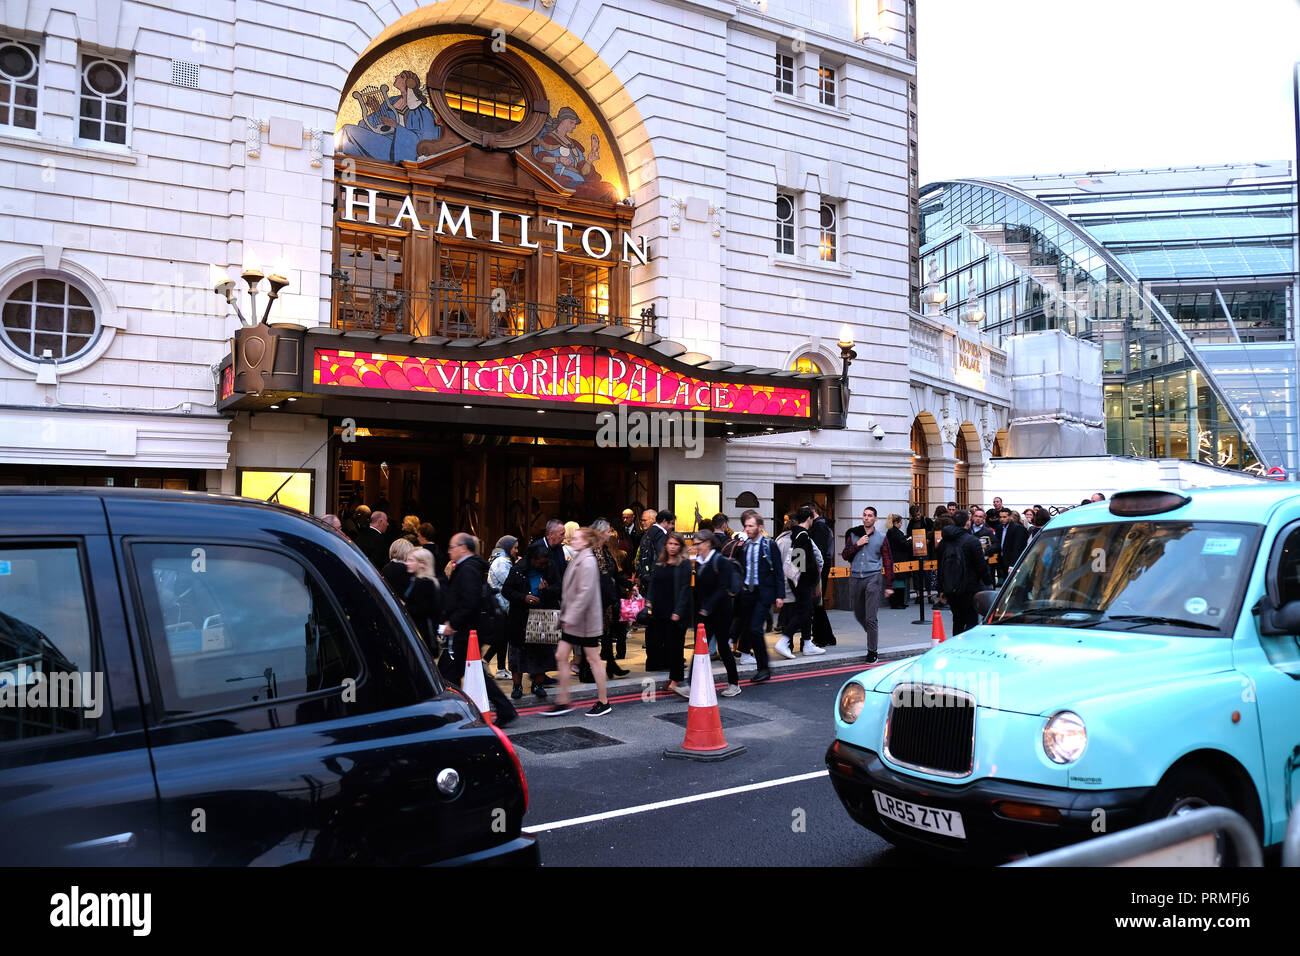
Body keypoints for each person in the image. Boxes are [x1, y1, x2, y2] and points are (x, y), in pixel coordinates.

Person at [439, 533, 518, 725]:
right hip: (469, 630)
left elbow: (469, 602)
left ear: (463, 548)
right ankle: (502, 709)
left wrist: (452, 623)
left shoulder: (467, 569)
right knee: (462, 672)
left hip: (469, 631)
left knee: (447, 673)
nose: (449, 550)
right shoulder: (468, 567)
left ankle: (454, 713)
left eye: (452, 547)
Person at [542, 527, 612, 717]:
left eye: (577, 538)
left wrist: (568, 618)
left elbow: (584, 594)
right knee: (562, 656)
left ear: (587, 542)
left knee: (593, 659)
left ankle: (604, 702)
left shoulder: (588, 561)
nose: (573, 540)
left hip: (584, 621)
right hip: (575, 620)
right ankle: (563, 700)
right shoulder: (580, 557)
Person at [502, 542, 557, 701]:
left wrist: (546, 590)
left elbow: (559, 587)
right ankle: (517, 686)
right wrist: (523, 597)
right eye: (540, 563)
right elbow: (506, 590)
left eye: (545, 563)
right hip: (520, 618)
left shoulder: (550, 568)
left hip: (543, 616)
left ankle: (538, 685)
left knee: (541, 653)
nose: (543, 566)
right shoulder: (518, 569)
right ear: (532, 560)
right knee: (518, 653)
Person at [734, 513, 782, 684]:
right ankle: (747, 654)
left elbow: (778, 570)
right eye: (746, 526)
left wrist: (780, 595)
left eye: (751, 526)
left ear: (760, 527)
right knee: (747, 627)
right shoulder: (745, 546)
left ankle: (764, 668)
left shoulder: (770, 545)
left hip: (764, 593)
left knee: (755, 628)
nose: (747, 529)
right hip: (747, 593)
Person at [842, 506, 894, 664]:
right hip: (856, 577)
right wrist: (857, 544)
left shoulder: (882, 537)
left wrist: (889, 585)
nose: (866, 518)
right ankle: (872, 632)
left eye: (870, 516)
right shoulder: (853, 535)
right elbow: (845, 555)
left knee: (871, 617)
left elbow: (888, 561)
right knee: (858, 613)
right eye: (864, 515)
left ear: (875, 519)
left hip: (874, 577)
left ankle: (872, 651)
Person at [693, 530, 742, 697]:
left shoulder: (719, 561)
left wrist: (708, 607)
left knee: (723, 647)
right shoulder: (699, 562)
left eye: (698, 543)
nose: (696, 547)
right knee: (700, 647)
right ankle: (692, 684)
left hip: (721, 612)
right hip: (705, 613)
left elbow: (723, 588)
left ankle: (734, 684)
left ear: (707, 543)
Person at [647, 531, 693, 698]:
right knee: (661, 644)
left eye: (676, 544)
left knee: (675, 647)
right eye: (670, 544)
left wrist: (678, 611)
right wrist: (649, 600)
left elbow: (684, 590)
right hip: (659, 610)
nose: (672, 547)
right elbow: (653, 583)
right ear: (666, 545)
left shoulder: (685, 564)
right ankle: (673, 678)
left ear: (680, 546)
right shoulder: (660, 562)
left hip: (675, 612)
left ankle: (676, 680)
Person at [935, 509, 993, 636]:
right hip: (970, 587)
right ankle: (968, 645)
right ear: (967, 522)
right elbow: (980, 565)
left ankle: (956, 644)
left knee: (957, 619)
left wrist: (941, 589)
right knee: (971, 619)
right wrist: (988, 581)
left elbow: (940, 567)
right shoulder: (972, 541)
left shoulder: (944, 542)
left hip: (951, 587)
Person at [777, 506, 820, 659]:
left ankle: (807, 644)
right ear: (809, 519)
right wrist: (805, 577)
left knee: (807, 612)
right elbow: (797, 560)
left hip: (800, 582)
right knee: (803, 612)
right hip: (802, 583)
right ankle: (784, 640)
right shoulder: (802, 535)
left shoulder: (797, 533)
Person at [590, 518, 630, 680]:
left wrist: (629, 585)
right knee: (593, 638)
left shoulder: (605, 550)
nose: (611, 534)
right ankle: (587, 670)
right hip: (594, 600)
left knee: (606, 634)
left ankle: (611, 665)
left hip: (605, 600)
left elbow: (614, 573)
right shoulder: (592, 552)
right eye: (608, 531)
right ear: (599, 533)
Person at [806, 502, 837, 648]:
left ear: (811, 513)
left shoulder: (819, 527)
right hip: (821, 569)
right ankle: (827, 637)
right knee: (818, 605)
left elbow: (819, 553)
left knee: (817, 604)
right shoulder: (820, 526)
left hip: (819, 571)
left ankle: (821, 638)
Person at [487, 536, 518, 680]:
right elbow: (509, 582)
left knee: (502, 638)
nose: (516, 551)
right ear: (507, 547)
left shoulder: (502, 560)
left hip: (502, 605)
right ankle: (494, 665)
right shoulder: (501, 562)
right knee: (502, 638)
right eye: (515, 547)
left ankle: (497, 667)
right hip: (501, 605)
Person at [401, 547, 443, 652]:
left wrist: (404, 606)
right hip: (418, 632)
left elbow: (424, 609)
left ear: (422, 563)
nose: (407, 563)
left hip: (422, 634)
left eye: (411, 560)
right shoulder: (417, 580)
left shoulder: (424, 583)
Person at [635, 509, 674, 585]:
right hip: (656, 580)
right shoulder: (660, 535)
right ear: (665, 521)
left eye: (644, 520)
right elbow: (662, 557)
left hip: (646, 578)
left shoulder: (646, 535)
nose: (673, 526)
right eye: (671, 523)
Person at [906, 504, 933, 606]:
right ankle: (918, 595)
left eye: (918, 514)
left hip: (926, 550)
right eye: (915, 515)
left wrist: (928, 539)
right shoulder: (911, 523)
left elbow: (933, 531)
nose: (918, 517)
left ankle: (929, 595)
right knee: (916, 574)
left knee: (927, 574)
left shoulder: (927, 520)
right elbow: (909, 534)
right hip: (916, 550)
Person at [997, 508, 1029, 583]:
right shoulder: (999, 528)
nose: (1002, 519)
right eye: (1000, 517)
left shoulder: (1017, 528)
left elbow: (1017, 548)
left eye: (1004, 517)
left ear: (1010, 517)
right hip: (1002, 560)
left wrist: (1012, 565)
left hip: (1012, 561)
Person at [886, 514, 911, 609]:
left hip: (894, 558)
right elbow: (903, 545)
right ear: (896, 523)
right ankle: (897, 603)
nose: (901, 524)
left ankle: (899, 603)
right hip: (899, 559)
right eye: (900, 522)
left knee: (898, 582)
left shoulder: (890, 532)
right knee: (899, 582)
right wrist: (909, 540)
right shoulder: (896, 533)